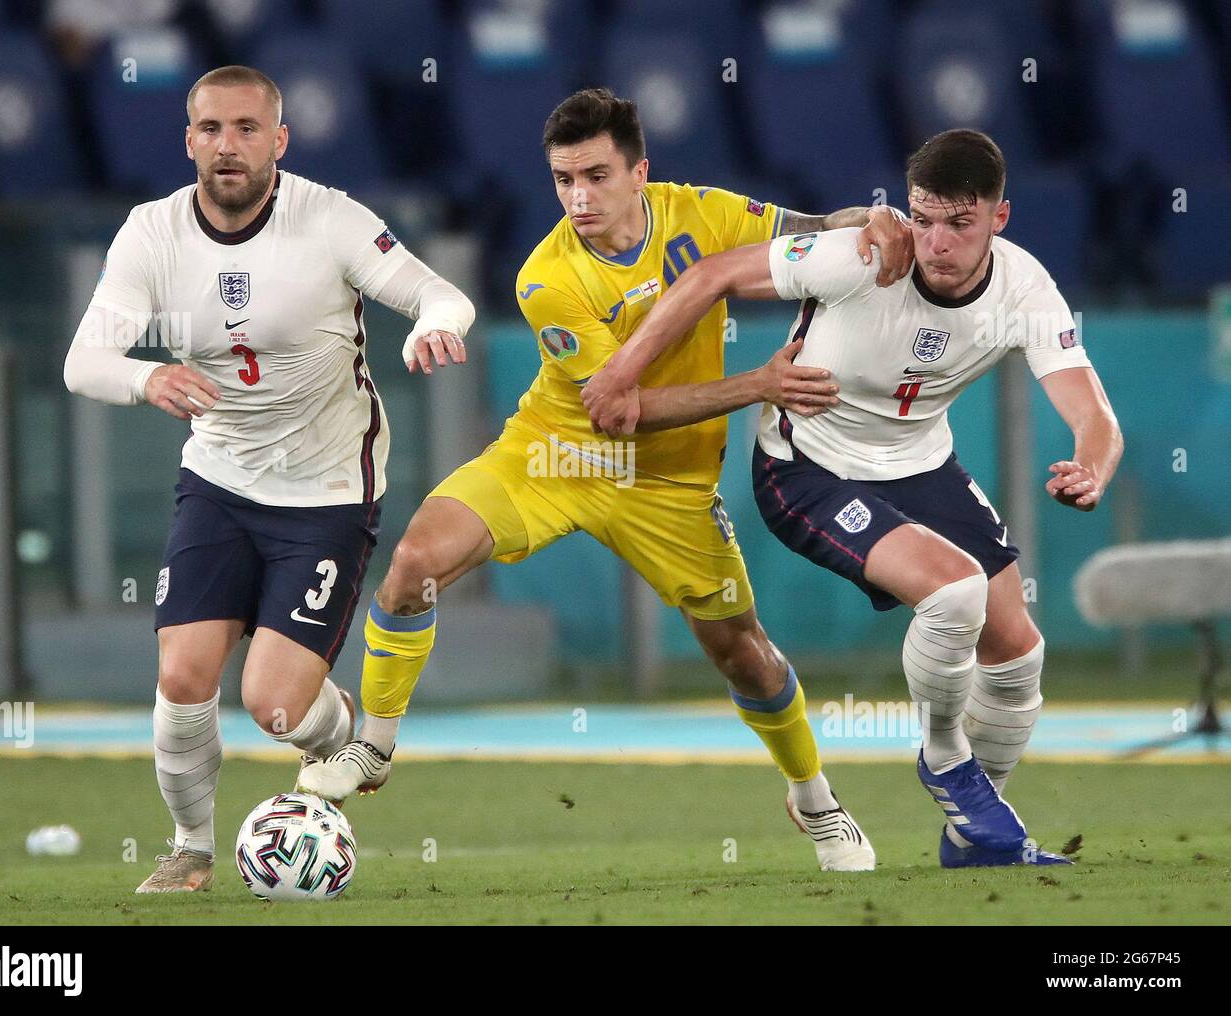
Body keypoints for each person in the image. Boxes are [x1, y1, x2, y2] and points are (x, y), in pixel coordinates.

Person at [297, 88, 913, 872]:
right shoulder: (545, 278)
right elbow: (618, 412)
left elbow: (807, 234)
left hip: (671, 485)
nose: (578, 197)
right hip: (556, 454)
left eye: (595, 175)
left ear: (639, 172)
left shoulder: (701, 212)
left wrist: (871, 218)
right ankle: (375, 745)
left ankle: (815, 799)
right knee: (416, 560)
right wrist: (756, 385)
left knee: (742, 653)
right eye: (563, 180)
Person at [582, 128, 1124, 867]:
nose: (934, 241)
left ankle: (975, 832)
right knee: (956, 593)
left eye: (959, 224)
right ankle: (943, 756)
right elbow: (710, 275)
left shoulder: (1026, 289)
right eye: (923, 217)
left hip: (921, 465)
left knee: (1019, 656)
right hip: (807, 465)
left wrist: (1091, 467)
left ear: (999, 219)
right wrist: (621, 374)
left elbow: (1094, 415)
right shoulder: (862, 255)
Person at [63, 65, 475, 892]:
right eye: (211, 129)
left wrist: (432, 327)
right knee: (181, 677)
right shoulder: (150, 233)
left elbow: (444, 296)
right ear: (189, 141)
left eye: (248, 129)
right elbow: (84, 361)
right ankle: (189, 848)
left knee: (274, 706)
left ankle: (342, 728)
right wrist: (149, 379)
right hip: (218, 478)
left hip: (327, 491)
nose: (229, 146)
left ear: (279, 141)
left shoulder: (328, 219)